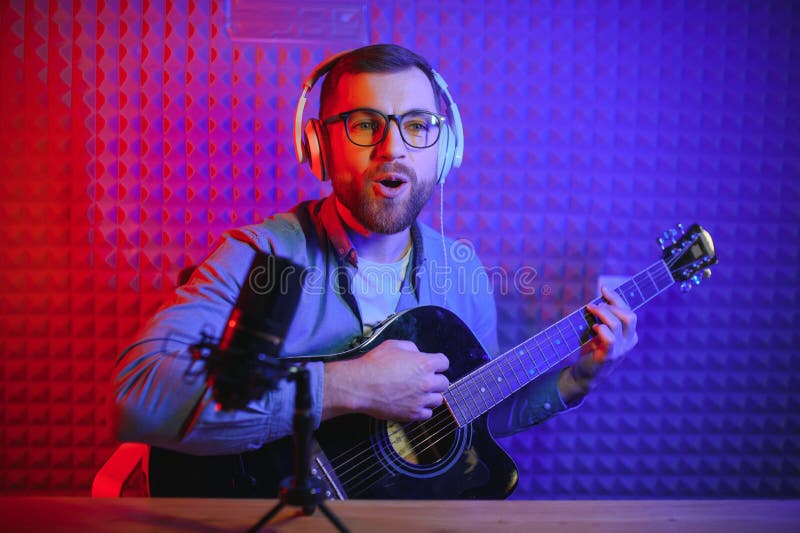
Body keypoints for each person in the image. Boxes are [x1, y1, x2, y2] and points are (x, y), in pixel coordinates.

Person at [112, 44, 638, 498]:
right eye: (366, 125)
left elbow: (466, 416)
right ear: (318, 144)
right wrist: (346, 387)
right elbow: (137, 397)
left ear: (445, 149)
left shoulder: (462, 273)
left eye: (417, 126)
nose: (393, 149)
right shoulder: (260, 257)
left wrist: (577, 377)